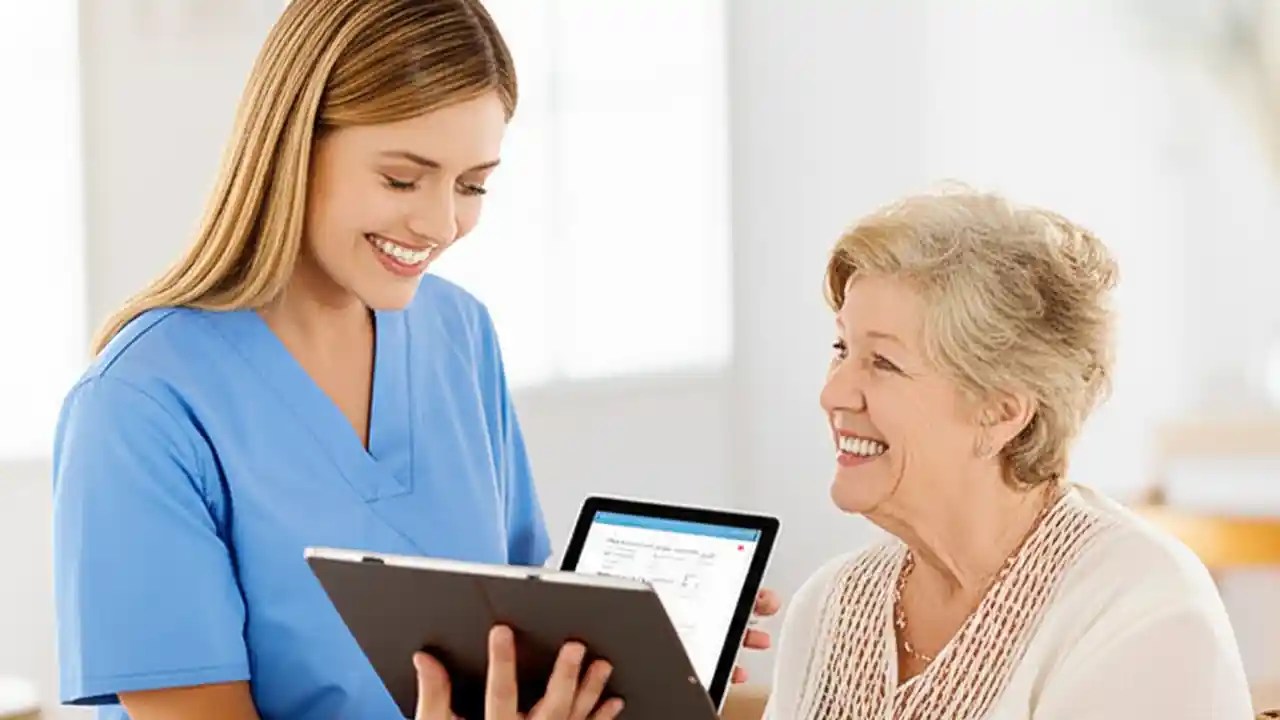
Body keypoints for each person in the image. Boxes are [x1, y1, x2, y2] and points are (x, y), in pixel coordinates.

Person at [50, 1, 777, 718]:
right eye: (402, 179)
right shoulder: (141, 405)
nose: (439, 224)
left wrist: (632, 652)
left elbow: (505, 635)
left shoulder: (458, 334)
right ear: (293, 144)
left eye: (472, 186)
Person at [762, 188, 1254, 719]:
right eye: (841, 349)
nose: (832, 393)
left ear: (1000, 412)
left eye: (882, 362)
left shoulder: (1140, 604)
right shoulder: (833, 603)